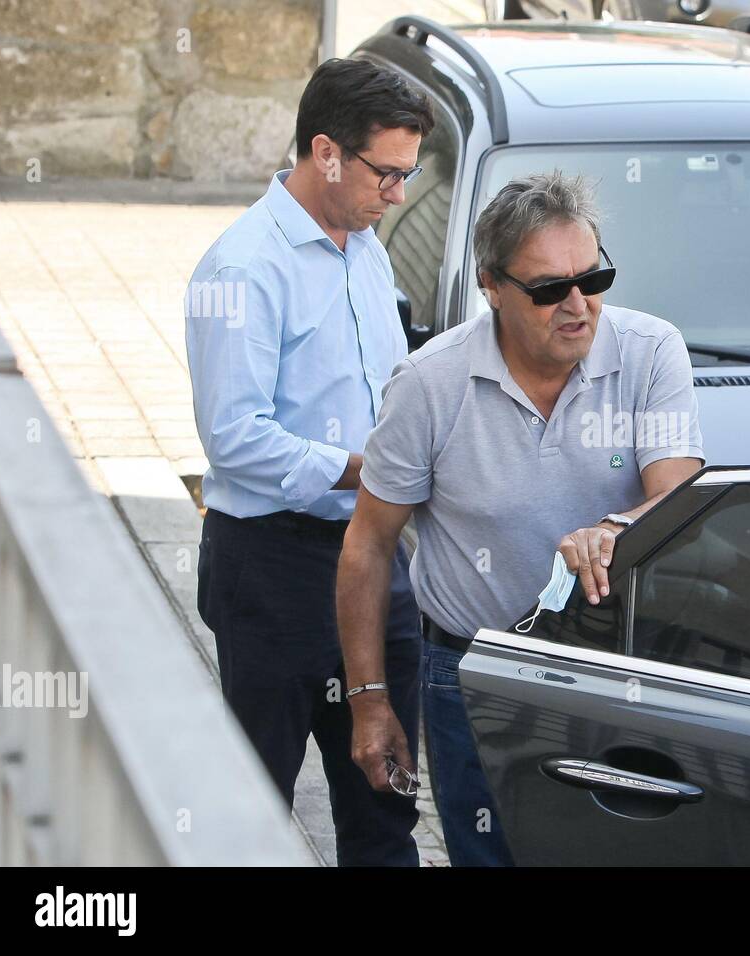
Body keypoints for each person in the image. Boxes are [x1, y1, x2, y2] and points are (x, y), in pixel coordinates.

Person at [337, 171, 705, 866]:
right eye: (546, 289)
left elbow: (677, 502)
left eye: (592, 279)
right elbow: (368, 542)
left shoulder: (652, 351)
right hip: (472, 673)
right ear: (492, 286)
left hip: (617, 669)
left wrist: (617, 528)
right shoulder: (428, 385)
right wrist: (368, 701)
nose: (577, 305)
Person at [185, 58, 434, 866]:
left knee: (387, 794)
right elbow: (234, 436)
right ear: (325, 152)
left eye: (408, 174)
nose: (399, 195)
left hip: (372, 555)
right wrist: (366, 467)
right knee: (256, 805)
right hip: (273, 568)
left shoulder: (366, 248)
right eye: (387, 173)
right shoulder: (242, 267)